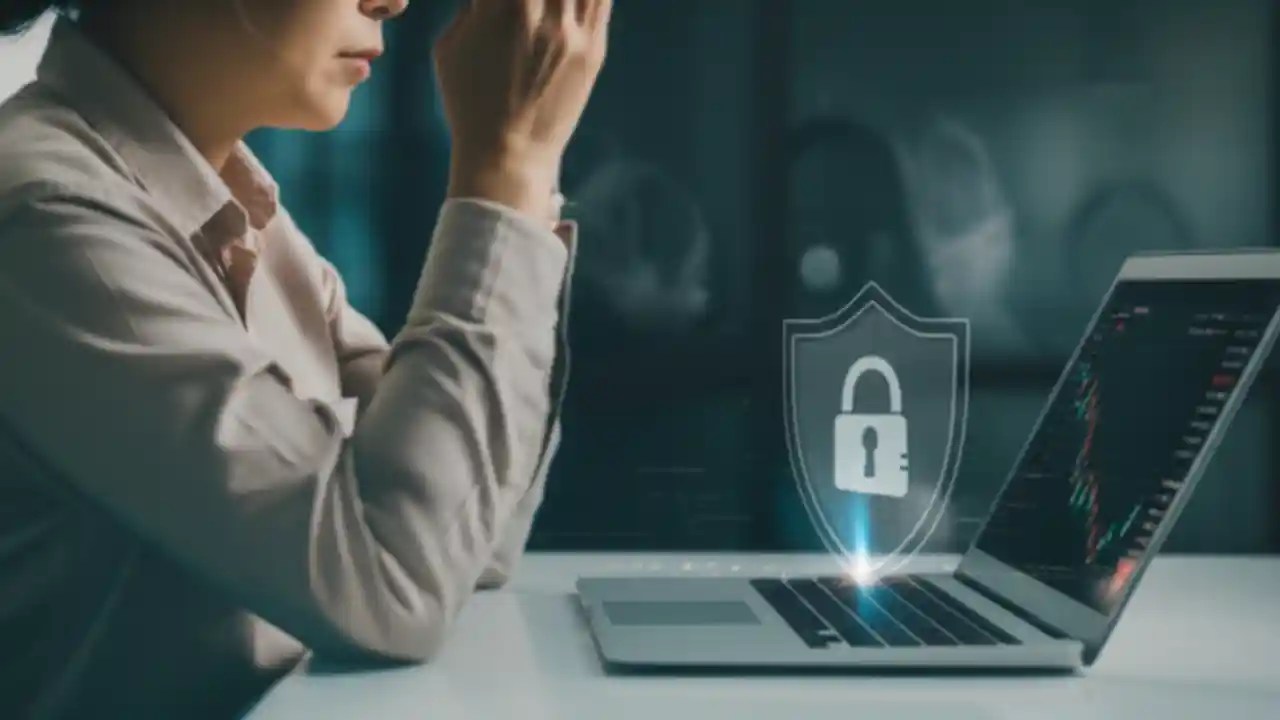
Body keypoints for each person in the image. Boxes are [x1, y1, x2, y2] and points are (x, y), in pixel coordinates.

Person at [0, 0, 610, 717]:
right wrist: (506, 163)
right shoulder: (48, 217)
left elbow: (470, 532)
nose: (394, 2)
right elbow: (396, 581)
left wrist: (525, 171)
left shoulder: (229, 208)